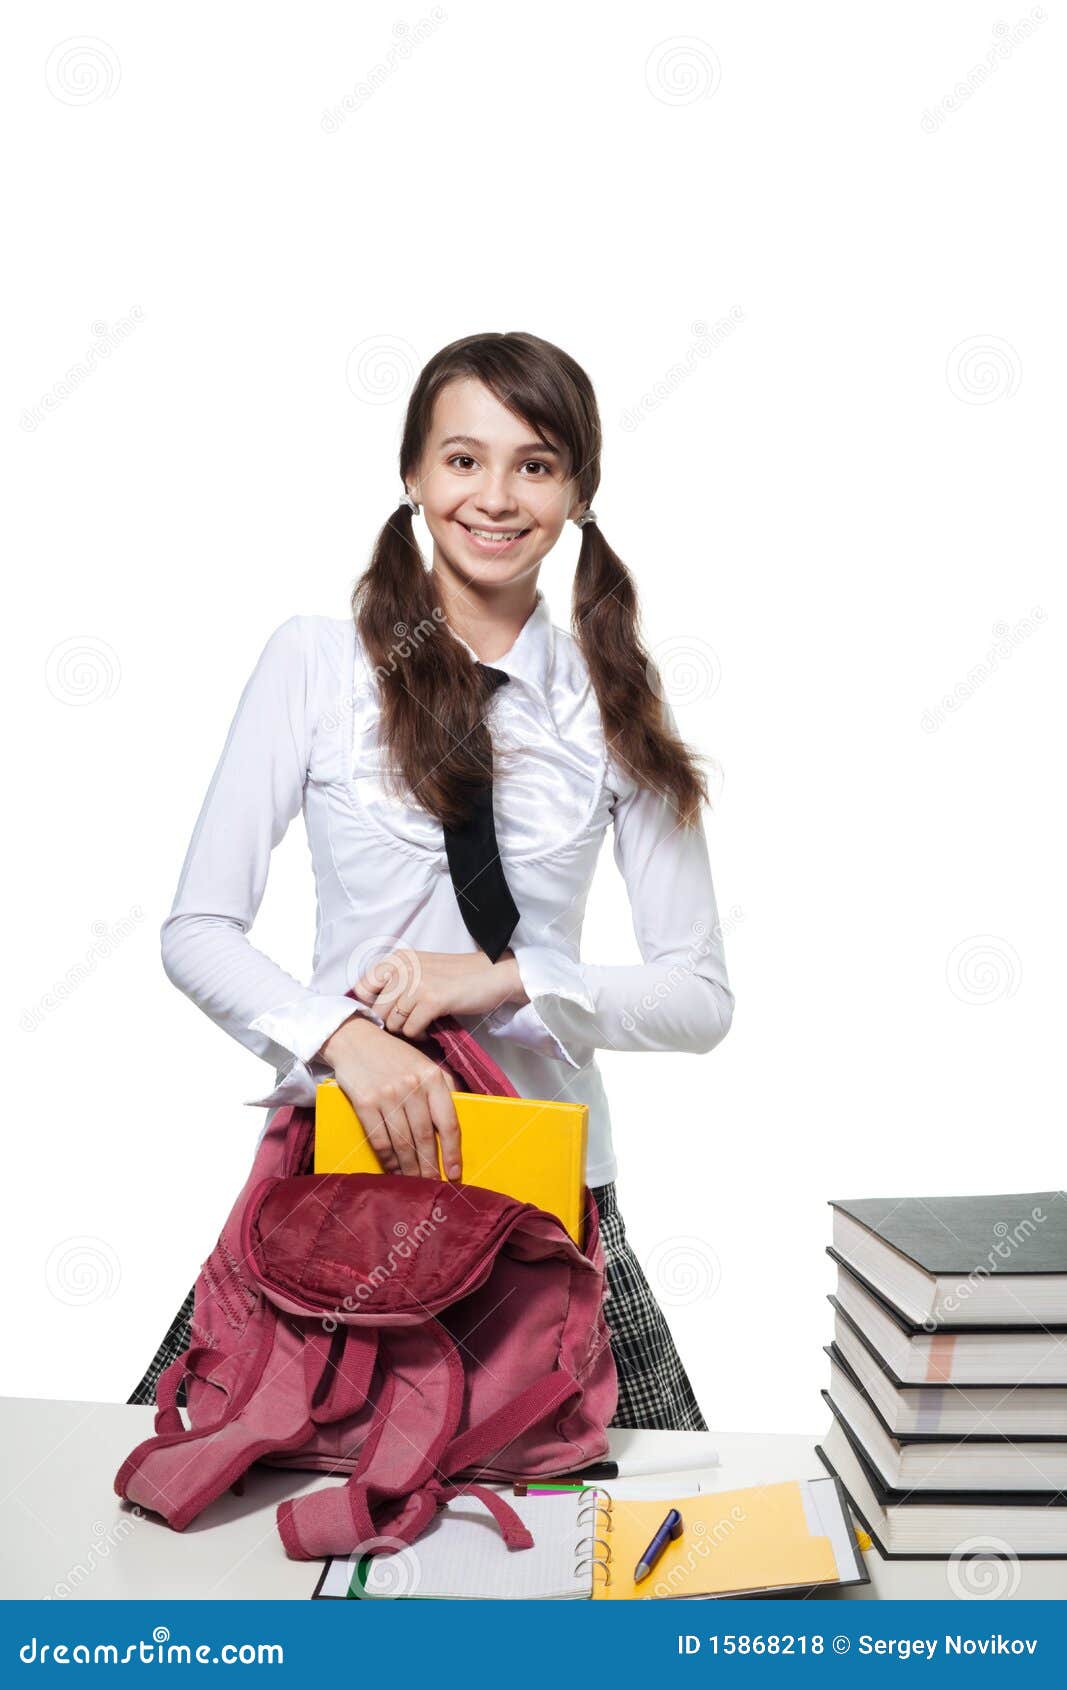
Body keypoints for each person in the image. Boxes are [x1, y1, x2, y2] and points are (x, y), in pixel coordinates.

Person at [128, 329, 734, 1430]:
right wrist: (341, 1039)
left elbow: (698, 999)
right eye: (462, 460)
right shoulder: (314, 662)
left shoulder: (616, 709)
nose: (495, 497)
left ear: (578, 492)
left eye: (535, 463)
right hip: (344, 1176)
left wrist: (505, 980)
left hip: (545, 1191)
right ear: (412, 474)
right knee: (236, 1505)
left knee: (625, 1543)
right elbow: (196, 928)